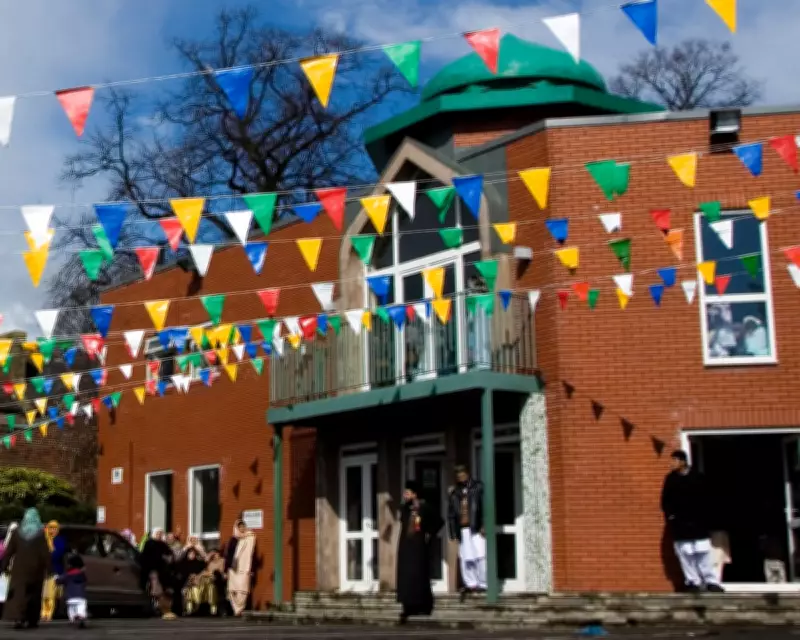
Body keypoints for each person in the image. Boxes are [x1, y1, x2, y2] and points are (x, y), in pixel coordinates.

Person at [661, 450, 724, 593]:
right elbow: (665, 501)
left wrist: (706, 516)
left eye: (675, 460)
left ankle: (711, 581)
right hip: (680, 524)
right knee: (685, 554)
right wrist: (671, 516)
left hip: (698, 522)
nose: (672, 463)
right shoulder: (670, 479)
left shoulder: (698, 477)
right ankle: (692, 582)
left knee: (703, 553)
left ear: (683, 461)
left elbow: (709, 497)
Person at [396, 480, 443, 624]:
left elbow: (439, 522)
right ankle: (407, 606)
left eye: (408, 493)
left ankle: (423, 605)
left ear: (415, 494)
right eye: (405, 493)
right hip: (406, 546)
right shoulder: (405, 508)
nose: (405, 495)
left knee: (418, 575)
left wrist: (429, 534)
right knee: (406, 576)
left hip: (419, 546)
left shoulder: (424, 507)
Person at [0, 508, 51, 629]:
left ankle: (19, 618)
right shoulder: (40, 534)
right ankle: (31, 619)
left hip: (19, 569)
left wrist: (4, 566)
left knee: (19, 594)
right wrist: (49, 569)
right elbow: (45, 553)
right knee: (34, 594)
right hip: (36, 569)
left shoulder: (17, 532)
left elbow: (9, 552)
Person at [447, 464, 486, 596]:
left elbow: (485, 506)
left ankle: (483, 583)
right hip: (462, 529)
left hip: (476, 527)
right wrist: (452, 533)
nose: (460, 477)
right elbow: (451, 515)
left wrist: (484, 524)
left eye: (462, 474)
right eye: (458, 475)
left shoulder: (478, 487)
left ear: (467, 473)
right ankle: (471, 584)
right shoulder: (454, 492)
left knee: (480, 556)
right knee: (466, 558)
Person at [140, 528, 177, 620]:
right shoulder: (149, 543)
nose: (159, 535)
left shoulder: (163, 544)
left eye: (160, 533)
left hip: (163, 571)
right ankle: (164, 610)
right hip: (153, 570)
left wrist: (168, 559)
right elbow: (146, 558)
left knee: (164, 590)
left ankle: (162, 609)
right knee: (157, 590)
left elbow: (170, 555)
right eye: (157, 533)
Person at [225, 520, 255, 617]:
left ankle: (240, 608)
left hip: (244, 568)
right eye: (240, 527)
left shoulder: (249, 539)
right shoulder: (233, 540)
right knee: (232, 590)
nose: (242, 528)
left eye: (243, 526)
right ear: (237, 528)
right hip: (233, 569)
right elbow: (228, 555)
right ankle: (236, 609)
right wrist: (227, 569)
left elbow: (251, 555)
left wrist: (252, 568)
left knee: (243, 590)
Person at [41, 520, 67, 622]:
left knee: (51, 594)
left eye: (55, 528)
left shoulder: (60, 540)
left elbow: (58, 554)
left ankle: (48, 614)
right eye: (51, 528)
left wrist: (50, 553)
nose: (52, 530)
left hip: (55, 571)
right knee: (44, 594)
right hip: (44, 571)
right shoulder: (44, 539)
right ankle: (43, 613)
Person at [56, 553, 87, 628]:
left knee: (71, 609)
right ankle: (81, 617)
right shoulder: (82, 574)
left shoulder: (67, 575)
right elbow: (85, 581)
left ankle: (73, 619)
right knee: (81, 608)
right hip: (81, 597)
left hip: (70, 597)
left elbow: (59, 581)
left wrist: (57, 578)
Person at [176, 547, 207, 615]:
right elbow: (181, 574)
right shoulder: (183, 563)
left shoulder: (199, 563)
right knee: (185, 591)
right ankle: (187, 610)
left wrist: (197, 576)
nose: (192, 555)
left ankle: (196, 610)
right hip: (186, 582)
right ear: (187, 554)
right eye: (190, 554)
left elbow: (204, 570)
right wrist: (190, 576)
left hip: (197, 582)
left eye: (193, 554)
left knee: (196, 590)